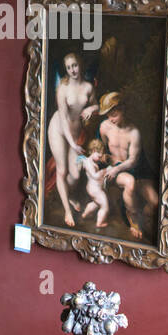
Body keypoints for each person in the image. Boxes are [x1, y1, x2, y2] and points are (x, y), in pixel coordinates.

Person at [98, 91, 160, 240]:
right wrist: (108, 163)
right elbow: (102, 150)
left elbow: (133, 161)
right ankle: (133, 219)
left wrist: (118, 167)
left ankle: (142, 216)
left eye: (114, 113)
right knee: (129, 183)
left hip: (136, 171)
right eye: (108, 114)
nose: (110, 118)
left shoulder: (134, 133)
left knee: (156, 202)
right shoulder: (104, 127)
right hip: (116, 171)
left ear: (123, 109)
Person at [46, 52, 98, 227]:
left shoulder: (88, 87)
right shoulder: (62, 89)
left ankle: (69, 194)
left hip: (75, 133)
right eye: (69, 67)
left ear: (80, 64)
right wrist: (72, 145)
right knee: (62, 171)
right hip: (59, 131)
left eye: (74, 65)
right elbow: (62, 118)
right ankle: (68, 211)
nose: (72, 70)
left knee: (75, 175)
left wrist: (92, 108)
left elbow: (96, 104)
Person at [75, 139, 112, 229]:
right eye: (99, 156)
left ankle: (83, 215)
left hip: (94, 189)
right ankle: (99, 223)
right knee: (105, 206)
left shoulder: (92, 162)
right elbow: (95, 176)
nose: (100, 159)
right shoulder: (88, 163)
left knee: (96, 203)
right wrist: (104, 171)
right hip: (95, 190)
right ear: (94, 151)